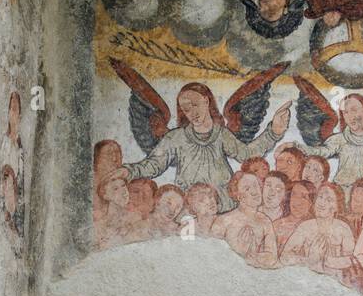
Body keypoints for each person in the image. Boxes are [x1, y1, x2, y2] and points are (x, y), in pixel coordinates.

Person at [120, 82, 290, 211]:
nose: (192, 113)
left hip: (223, 204)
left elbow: (246, 155)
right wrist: (129, 171)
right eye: (186, 109)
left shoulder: (221, 134)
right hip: (190, 206)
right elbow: (154, 164)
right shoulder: (176, 137)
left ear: (206, 101)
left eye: (195, 105)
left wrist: (273, 132)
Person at [280, 182, 356, 279]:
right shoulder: (305, 227)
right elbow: (284, 256)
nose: (322, 203)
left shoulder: (343, 228)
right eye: (320, 197)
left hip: (335, 281)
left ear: (337, 206)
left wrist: (326, 260)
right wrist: (308, 260)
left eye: (329, 200)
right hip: (308, 279)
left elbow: (351, 260)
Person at [211, 171, 279, 268]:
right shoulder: (224, 221)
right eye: (247, 189)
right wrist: (240, 253)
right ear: (239, 196)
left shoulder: (265, 220)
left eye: (256, 185)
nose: (254, 192)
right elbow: (212, 254)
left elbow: (272, 257)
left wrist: (254, 257)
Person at [273, 180, 315, 249]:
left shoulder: (313, 229)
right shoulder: (276, 226)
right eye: (294, 195)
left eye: (304, 197)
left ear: (311, 203)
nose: (297, 201)